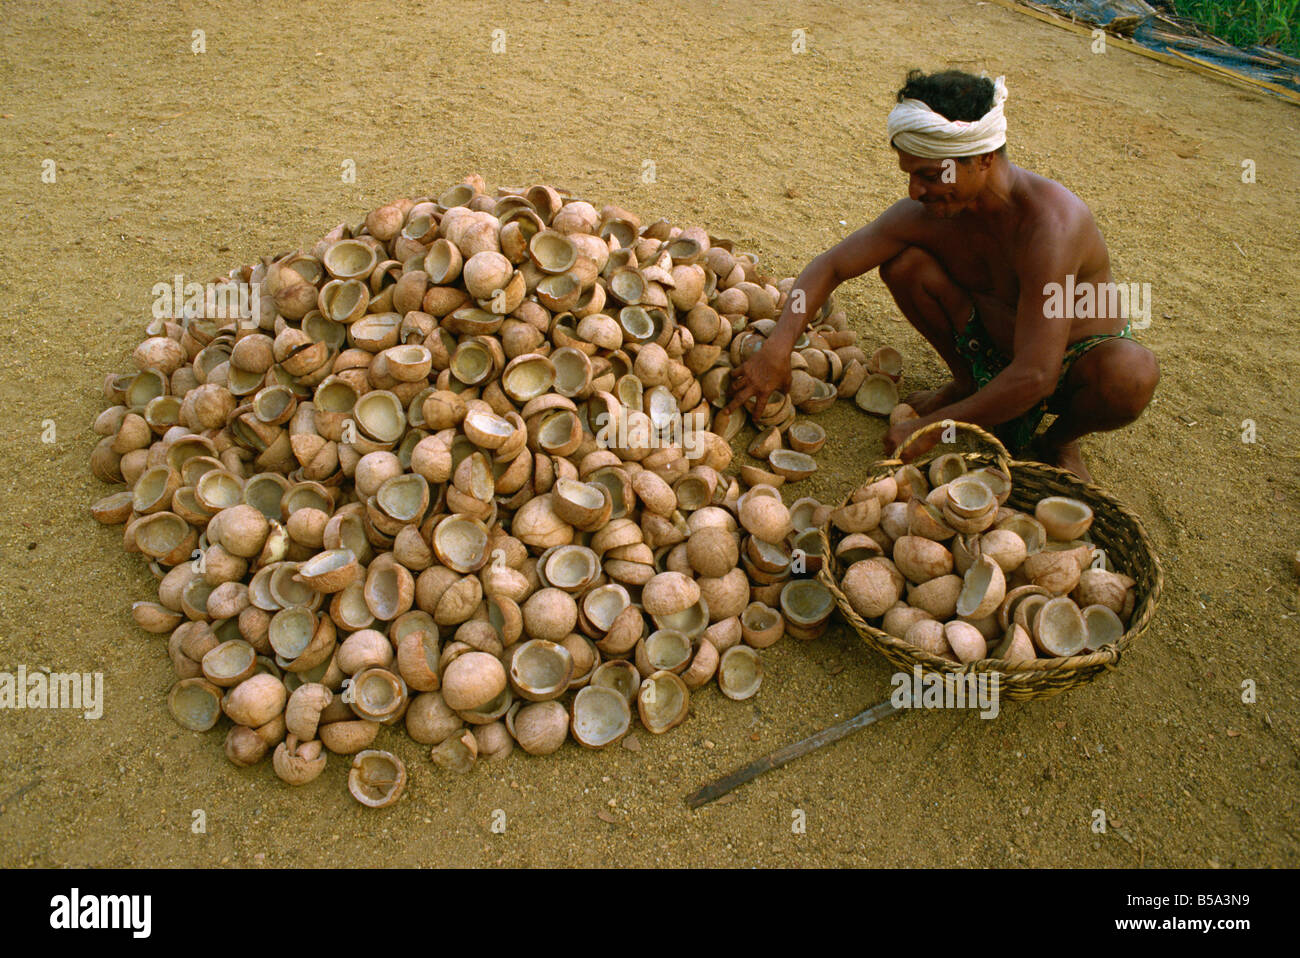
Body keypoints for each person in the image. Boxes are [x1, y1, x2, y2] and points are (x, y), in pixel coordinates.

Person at [724, 69, 1159, 482]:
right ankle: (969, 383)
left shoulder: (1051, 226)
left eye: (930, 176)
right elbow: (831, 265)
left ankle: (1059, 440)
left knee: (1132, 374)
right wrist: (778, 347)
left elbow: (1038, 374)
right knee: (904, 264)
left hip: (1065, 365)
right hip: (996, 349)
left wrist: (935, 426)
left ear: (984, 157)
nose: (916, 191)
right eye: (911, 175)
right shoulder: (930, 214)